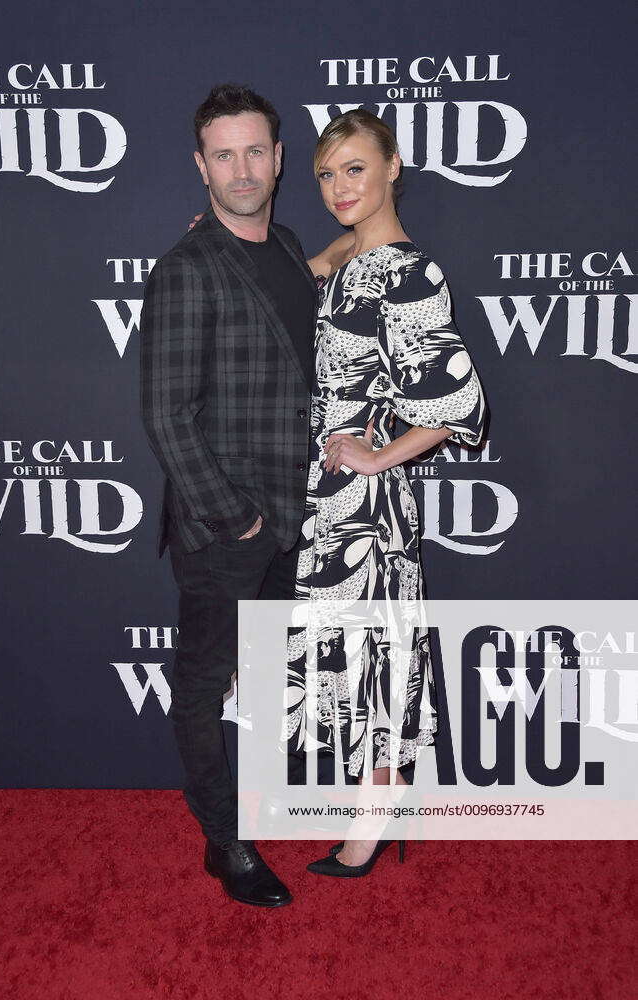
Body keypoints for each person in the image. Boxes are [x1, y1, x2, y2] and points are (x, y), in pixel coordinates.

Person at [283, 109, 487, 877]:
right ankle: (377, 799)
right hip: (325, 499)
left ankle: (372, 820)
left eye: (356, 169)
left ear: (392, 167)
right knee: (349, 653)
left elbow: (456, 404)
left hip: (362, 508)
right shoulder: (357, 256)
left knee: (373, 658)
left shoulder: (409, 274)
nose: (339, 187)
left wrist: (376, 457)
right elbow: (335, 253)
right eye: (326, 174)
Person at [139, 84, 319, 908]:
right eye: (223, 155)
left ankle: (259, 800)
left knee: (266, 669)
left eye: (254, 152)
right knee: (204, 681)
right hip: (226, 530)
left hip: (292, 516)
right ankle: (224, 842)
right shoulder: (185, 269)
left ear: (278, 159)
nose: (241, 170)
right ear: (200, 166)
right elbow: (166, 415)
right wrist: (235, 517)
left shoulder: (287, 245)